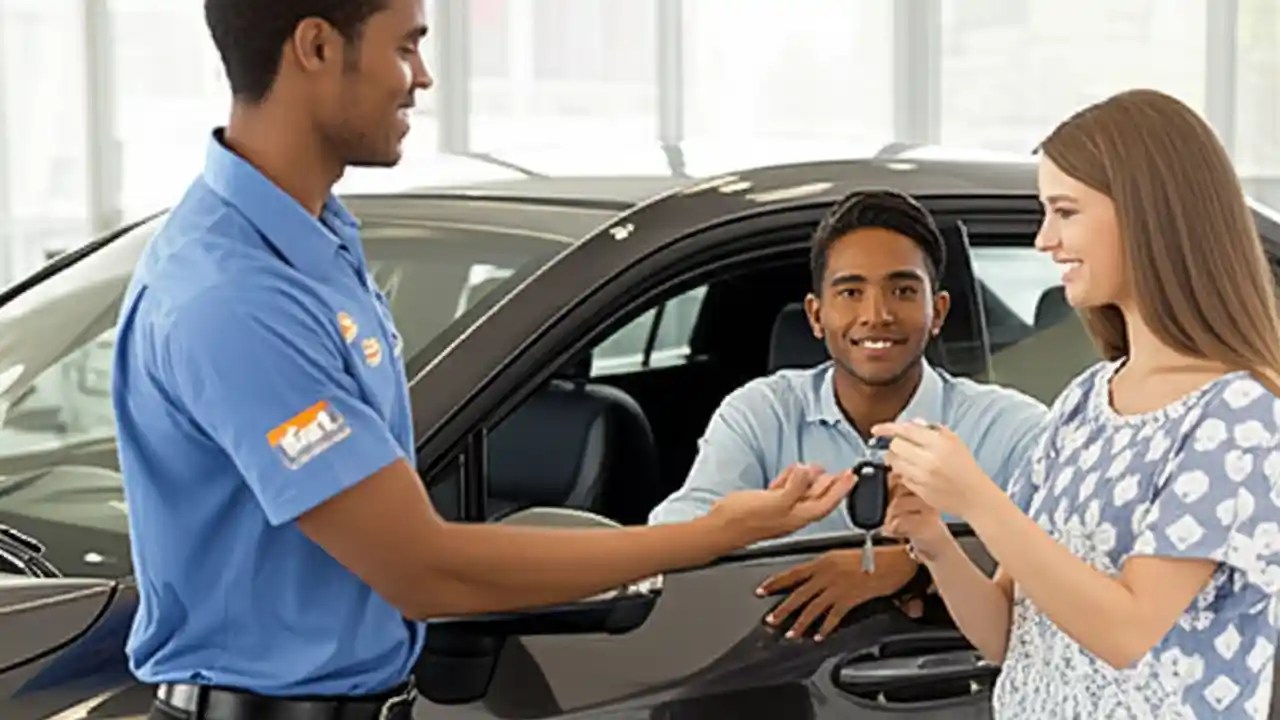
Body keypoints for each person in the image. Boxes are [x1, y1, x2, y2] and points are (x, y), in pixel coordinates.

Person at [112, 2, 854, 719]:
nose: (424, 77)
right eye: (405, 46)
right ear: (316, 47)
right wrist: (712, 535)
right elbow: (425, 569)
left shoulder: (314, 242)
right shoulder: (237, 295)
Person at [875, 88, 1280, 719]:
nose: (1044, 239)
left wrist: (977, 498)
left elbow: (1127, 631)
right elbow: (1009, 636)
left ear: (1149, 215)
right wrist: (934, 542)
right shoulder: (1085, 401)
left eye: (1065, 212)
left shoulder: (1238, 416)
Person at [648, 189, 1050, 641]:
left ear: (936, 312)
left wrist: (914, 561)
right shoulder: (762, 413)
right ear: (816, 316)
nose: (876, 315)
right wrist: (736, 528)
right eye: (851, 292)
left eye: (901, 291)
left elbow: (1074, 558)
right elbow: (673, 540)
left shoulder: (1013, 427)